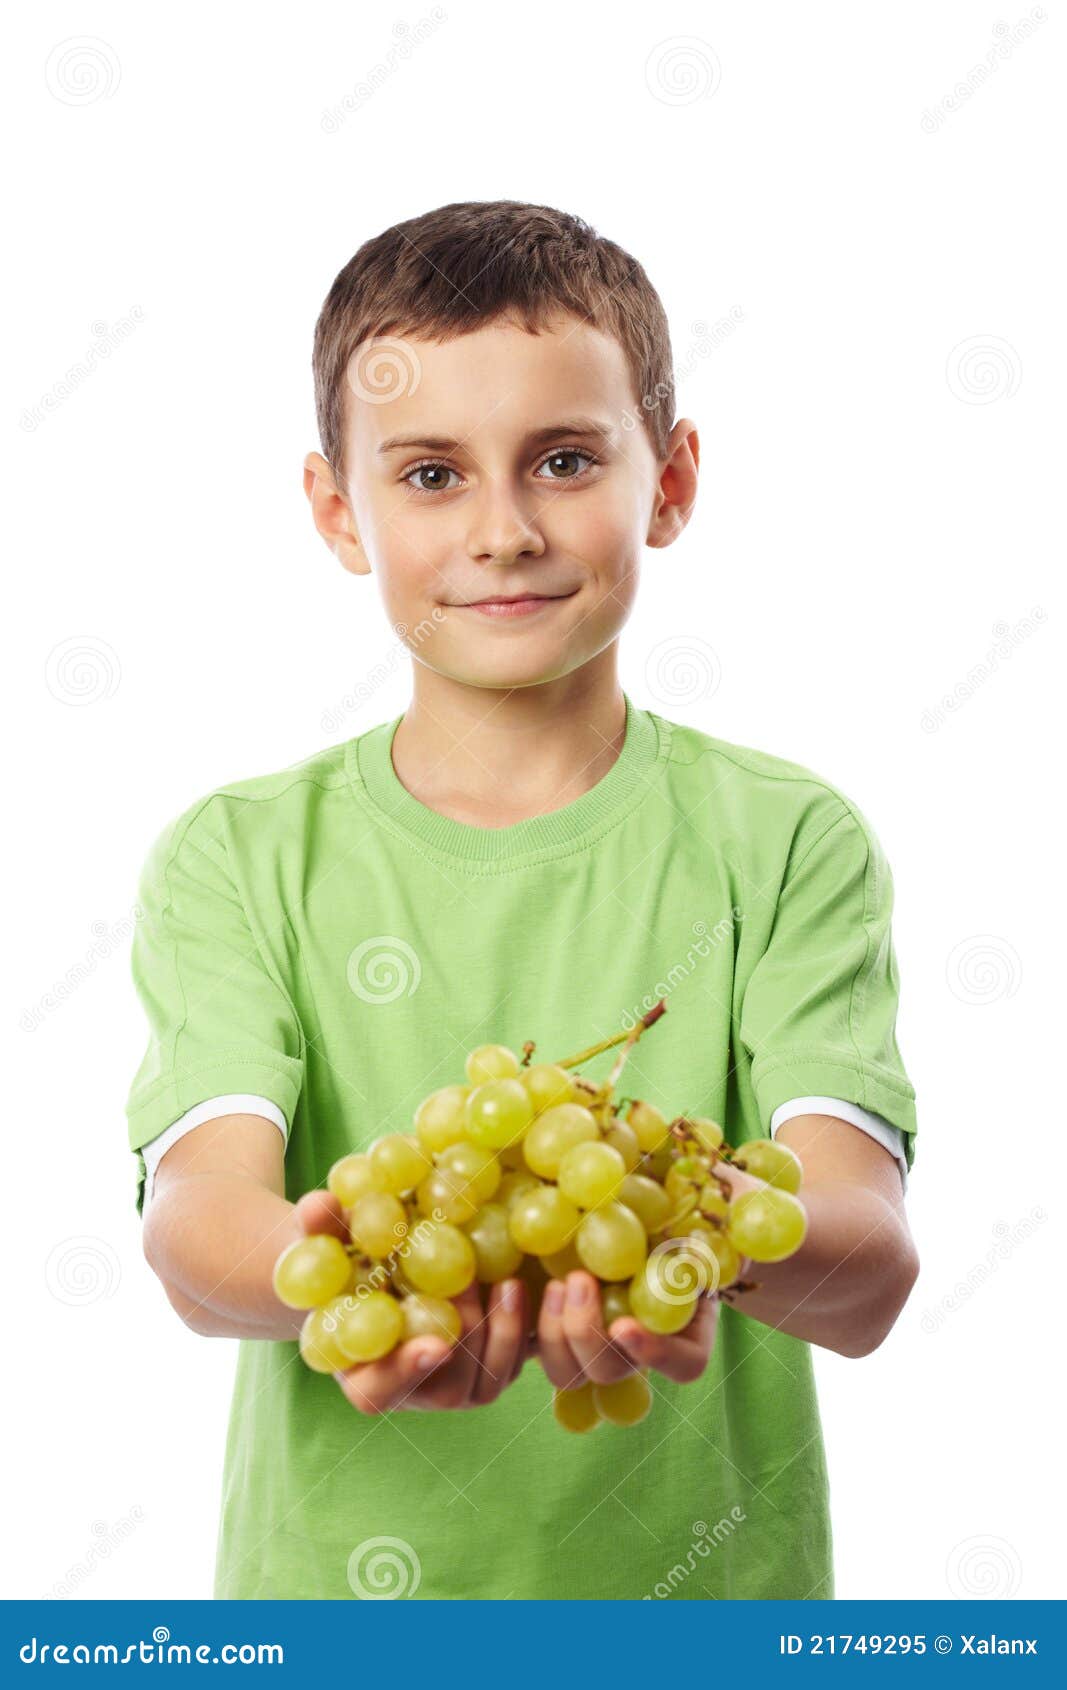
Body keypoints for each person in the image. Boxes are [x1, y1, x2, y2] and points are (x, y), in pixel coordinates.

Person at [126, 200, 919, 1601]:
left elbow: (862, 1259)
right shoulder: (237, 853)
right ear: (337, 510)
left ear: (668, 483)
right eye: (431, 473)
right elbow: (198, 1232)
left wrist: (694, 1242)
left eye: (562, 460)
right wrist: (381, 1284)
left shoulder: (789, 838)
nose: (503, 531)